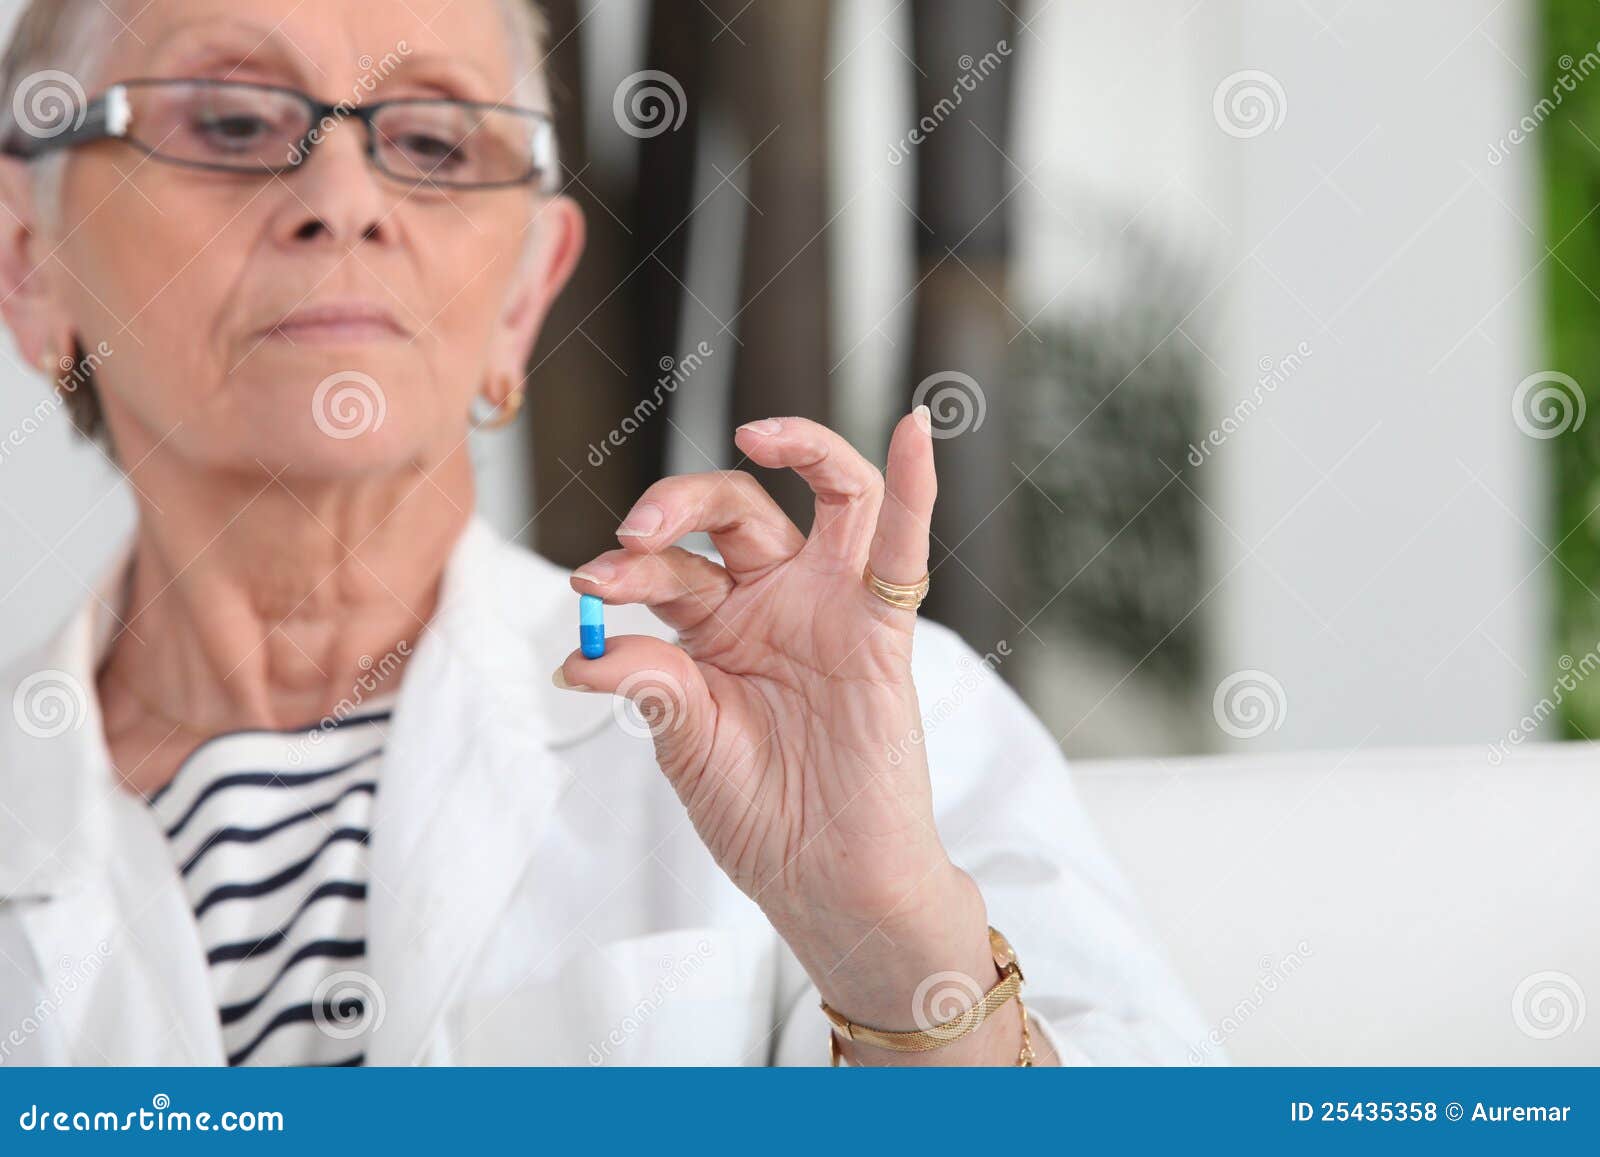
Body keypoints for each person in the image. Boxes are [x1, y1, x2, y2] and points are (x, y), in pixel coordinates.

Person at [0, 0, 1206, 1066]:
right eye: (229, 123)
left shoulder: (873, 723)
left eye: (430, 141)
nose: (343, 200)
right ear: (27, 258)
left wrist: (889, 947)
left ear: (526, 293)